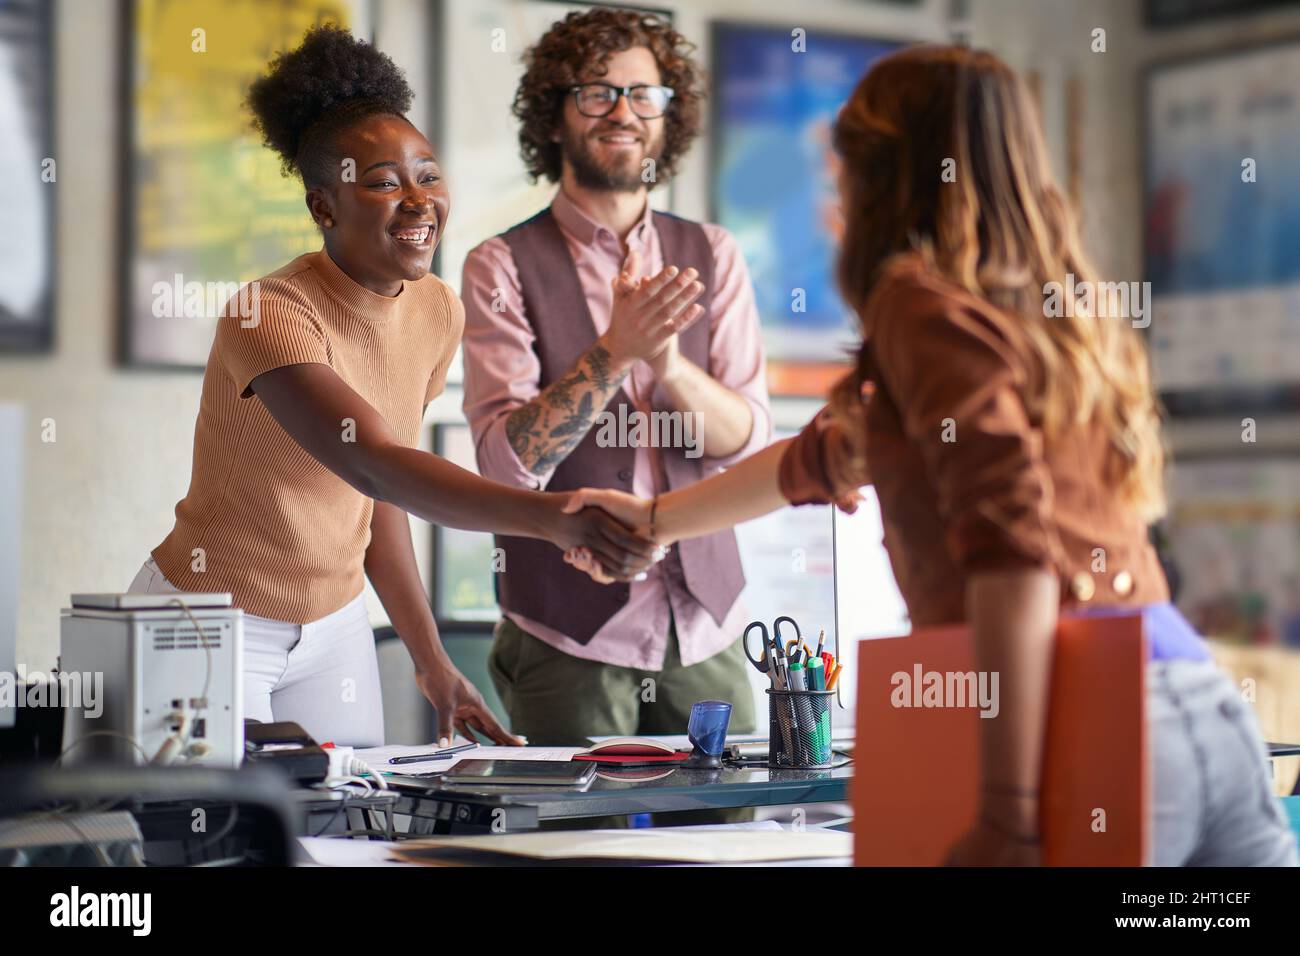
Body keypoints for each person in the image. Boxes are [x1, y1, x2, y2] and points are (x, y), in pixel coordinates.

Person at [565, 45, 1299, 866]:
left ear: (882, 169)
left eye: (838, 165)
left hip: (1082, 718)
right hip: (1191, 700)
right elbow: (824, 459)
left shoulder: (919, 304)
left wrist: (1011, 814)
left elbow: (1012, 548)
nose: (828, 194)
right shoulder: (1058, 307)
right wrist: (659, 521)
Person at [127, 25, 668, 749]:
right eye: (383, 183)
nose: (418, 201)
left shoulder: (438, 308)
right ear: (325, 208)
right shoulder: (269, 312)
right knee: (217, 841)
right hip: (209, 620)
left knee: (351, 837)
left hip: (335, 627)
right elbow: (371, 460)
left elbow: (380, 497)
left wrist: (432, 663)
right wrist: (556, 517)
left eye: (429, 175)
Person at [460, 9, 772, 745]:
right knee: (570, 853)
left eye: (644, 94)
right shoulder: (499, 264)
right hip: (569, 636)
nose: (624, 112)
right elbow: (507, 464)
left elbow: (748, 441)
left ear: (670, 114)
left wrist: (666, 365)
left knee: (731, 848)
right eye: (597, 93)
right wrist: (615, 351)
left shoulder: (713, 252)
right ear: (556, 115)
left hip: (708, 628)